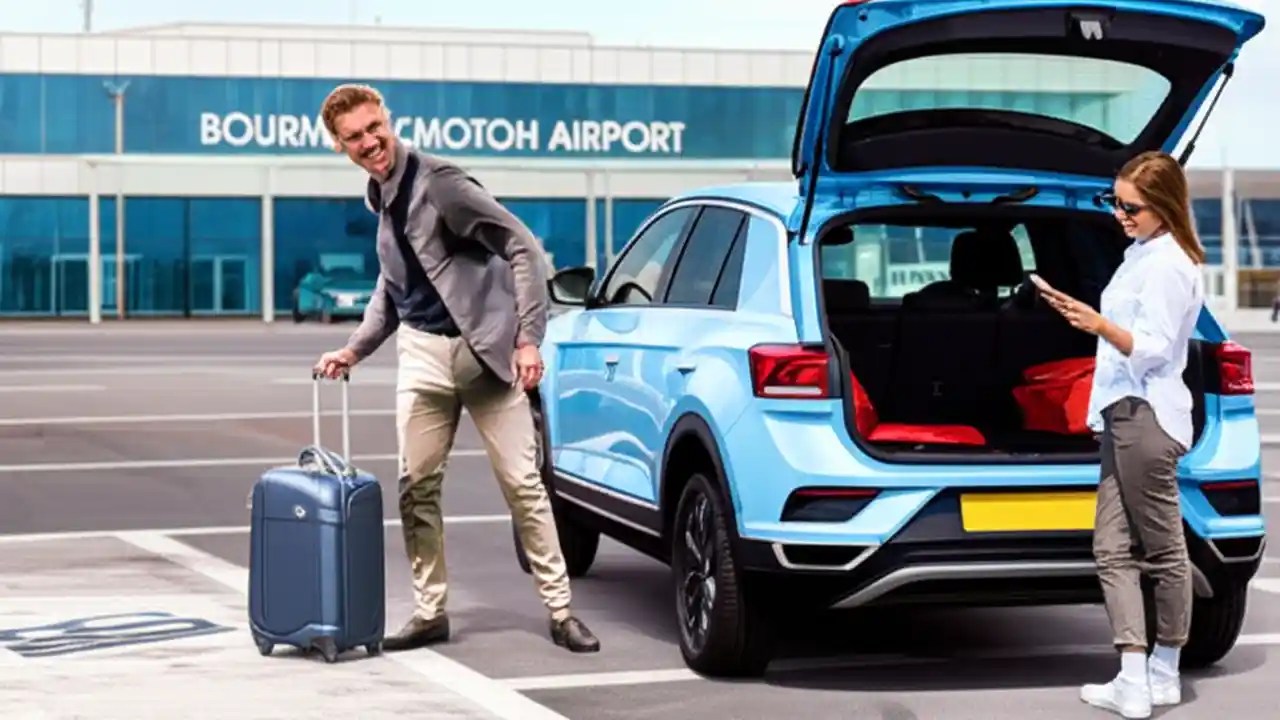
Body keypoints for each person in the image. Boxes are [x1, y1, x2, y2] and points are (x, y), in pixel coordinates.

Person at [311, 83, 600, 655]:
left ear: (387, 120)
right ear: (339, 146)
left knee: (523, 486)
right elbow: (391, 290)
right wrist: (353, 350)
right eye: (354, 138)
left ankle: (562, 611)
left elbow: (521, 246)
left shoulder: (439, 182)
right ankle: (430, 611)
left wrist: (527, 340)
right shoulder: (379, 196)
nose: (370, 142)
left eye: (375, 128)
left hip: (484, 354)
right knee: (416, 488)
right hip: (421, 355)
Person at [1033, 150, 1204, 719]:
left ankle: (1162, 671)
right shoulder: (1142, 256)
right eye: (1115, 203)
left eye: (1131, 207)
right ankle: (1136, 674)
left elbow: (1152, 346)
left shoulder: (1168, 265)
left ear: (1162, 206)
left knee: (1162, 549)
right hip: (1124, 413)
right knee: (1112, 547)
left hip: (1145, 417)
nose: (1119, 215)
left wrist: (1097, 322)